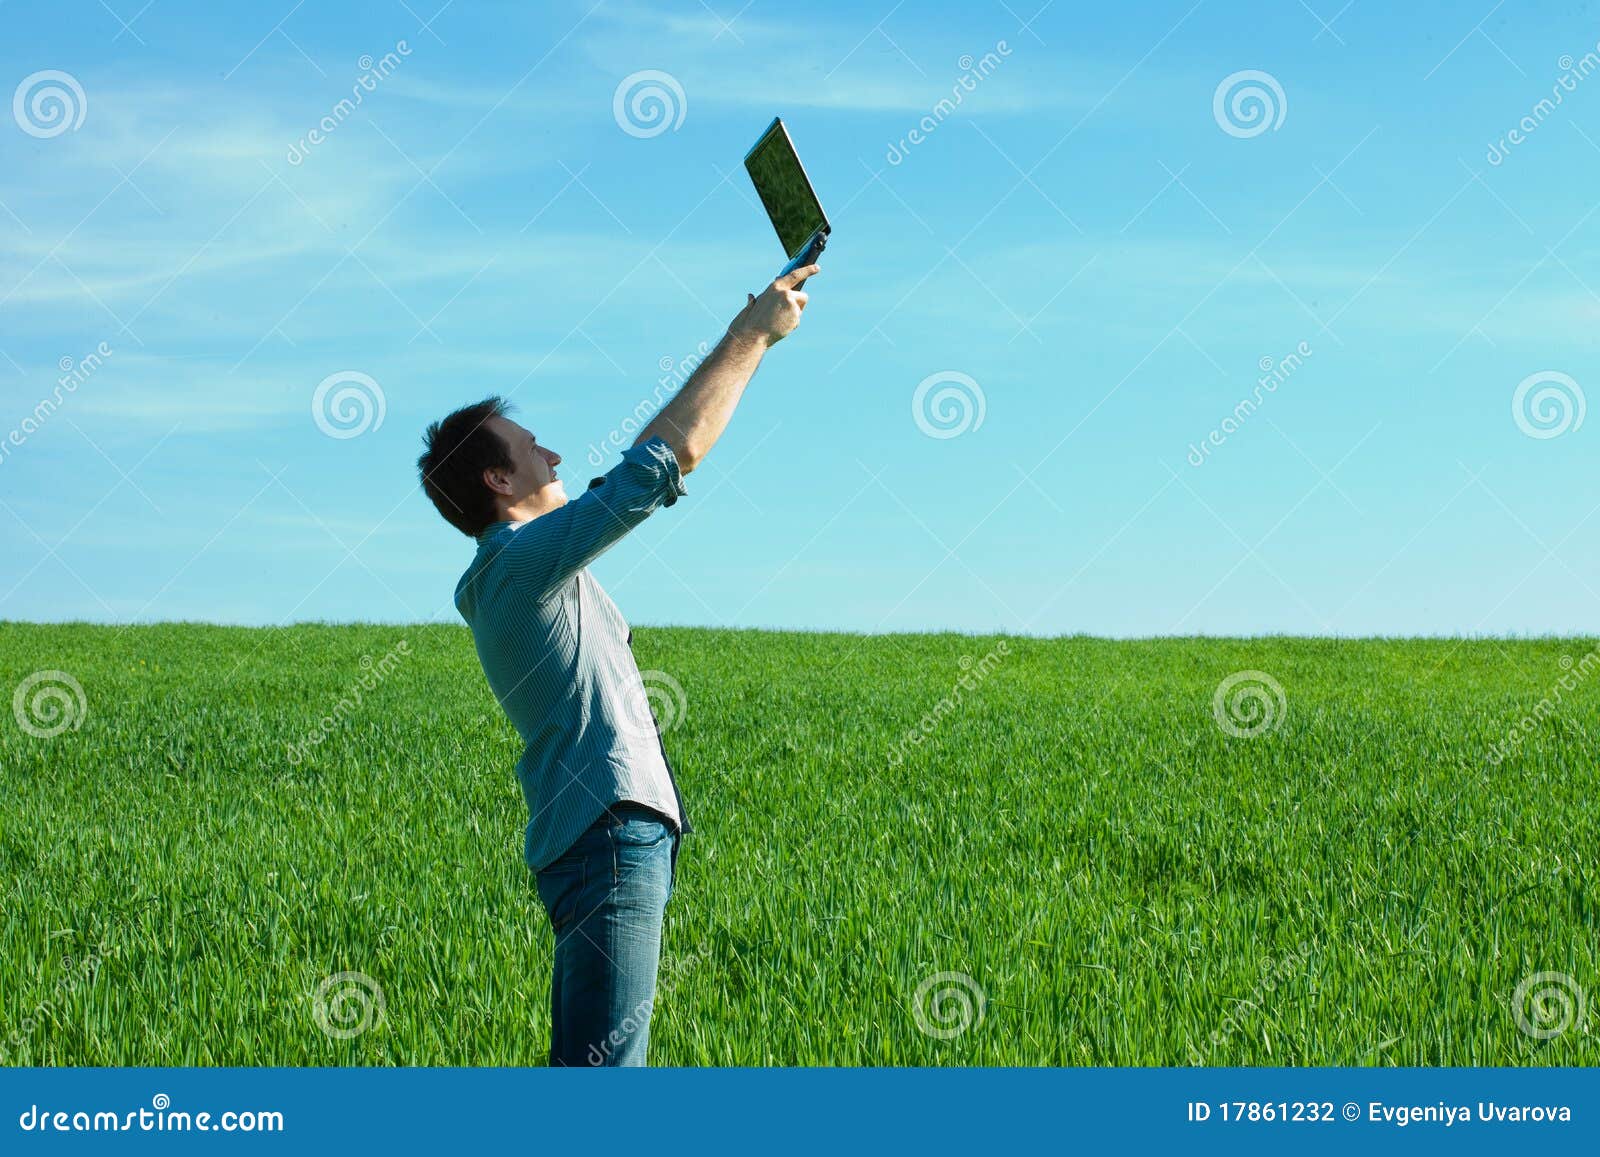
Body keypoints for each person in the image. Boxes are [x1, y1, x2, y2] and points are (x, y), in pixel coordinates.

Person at [415, 263, 820, 1065]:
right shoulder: (519, 569)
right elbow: (658, 466)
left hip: (600, 839)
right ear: (499, 479)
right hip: (607, 837)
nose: (554, 453)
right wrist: (750, 337)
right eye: (533, 449)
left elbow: (642, 464)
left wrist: (751, 341)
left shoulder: (529, 572)